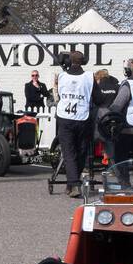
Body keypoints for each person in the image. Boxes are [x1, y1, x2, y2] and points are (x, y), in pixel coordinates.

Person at [56, 54, 95, 198]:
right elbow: (97, 97)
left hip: (65, 118)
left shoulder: (61, 77)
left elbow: (60, 94)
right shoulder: (89, 77)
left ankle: (73, 184)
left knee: (69, 152)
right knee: (81, 151)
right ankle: (72, 184)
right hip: (82, 118)